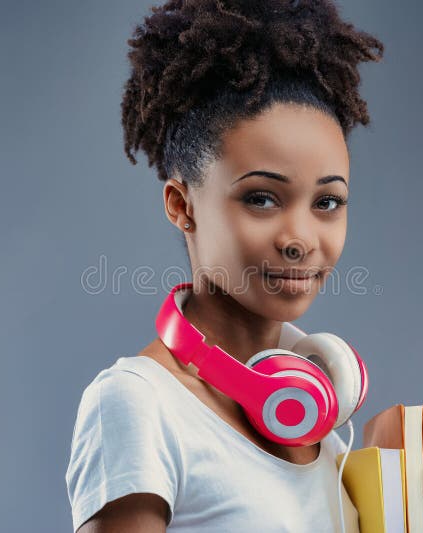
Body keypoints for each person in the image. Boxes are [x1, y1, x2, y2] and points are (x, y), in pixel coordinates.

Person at [65, 1, 384, 531]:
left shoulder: (313, 407)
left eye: (326, 203)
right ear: (181, 205)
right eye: (261, 198)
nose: (300, 239)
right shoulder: (138, 404)